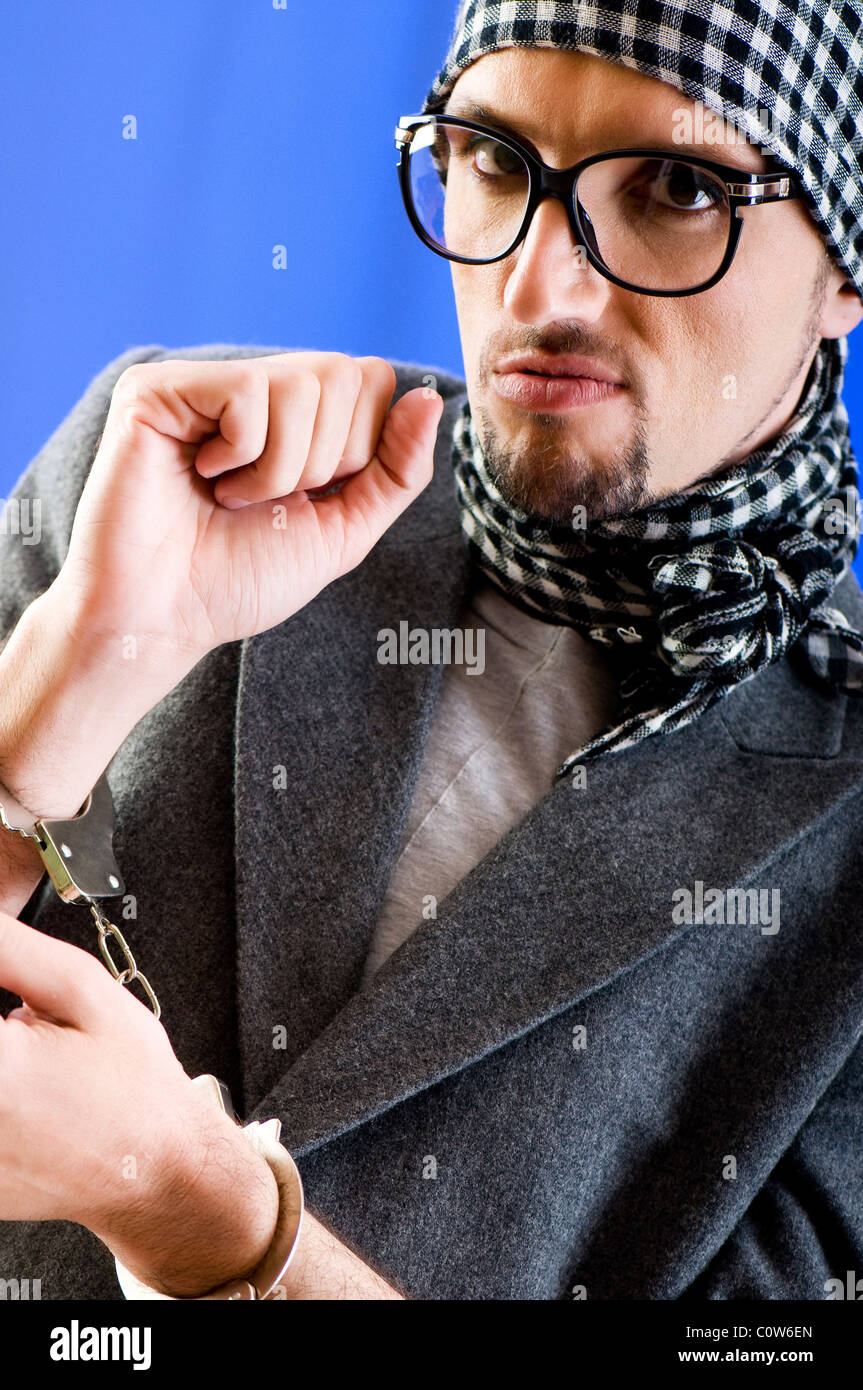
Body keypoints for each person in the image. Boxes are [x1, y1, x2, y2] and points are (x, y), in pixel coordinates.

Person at [1, 0, 862, 1301]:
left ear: (845, 262)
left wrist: (222, 1232)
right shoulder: (168, 459)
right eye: (497, 162)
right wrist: (69, 675)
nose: (541, 289)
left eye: (678, 188)